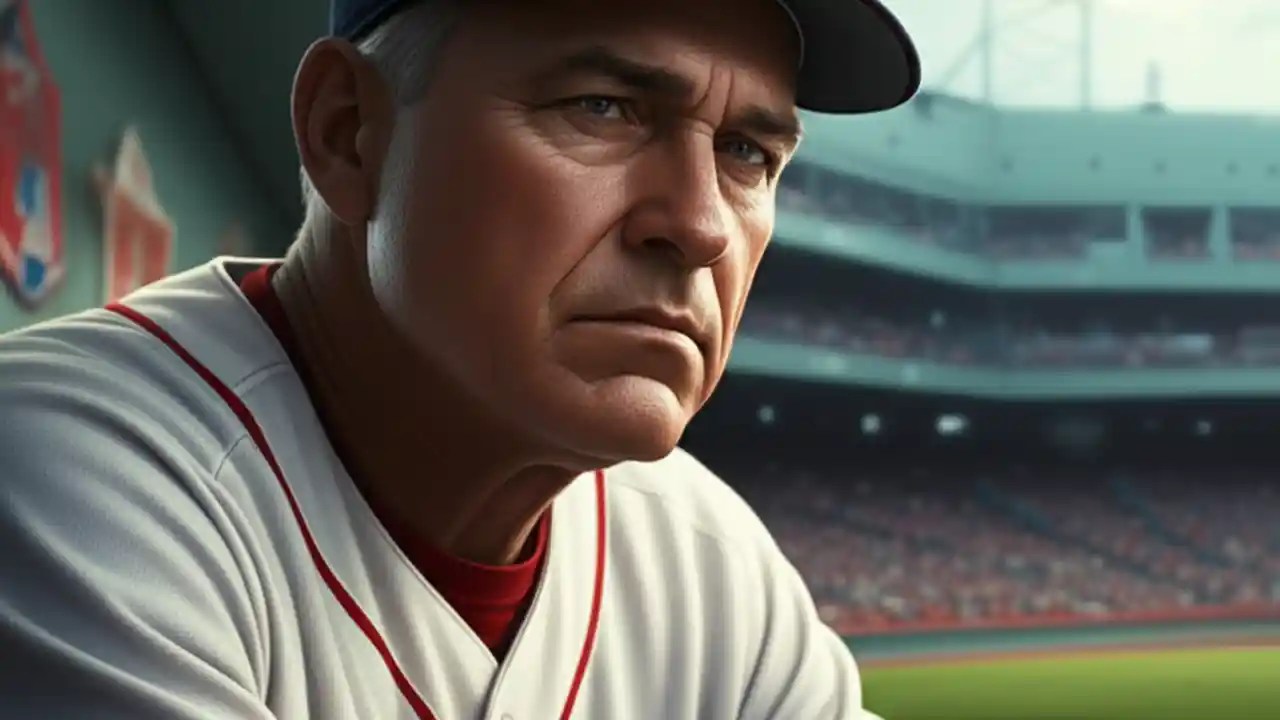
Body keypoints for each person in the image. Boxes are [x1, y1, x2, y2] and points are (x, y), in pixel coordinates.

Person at [0, 0, 919, 717]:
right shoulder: (66, 473)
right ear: (347, 132)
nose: (701, 225)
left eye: (748, 154)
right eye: (604, 107)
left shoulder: (712, 569)